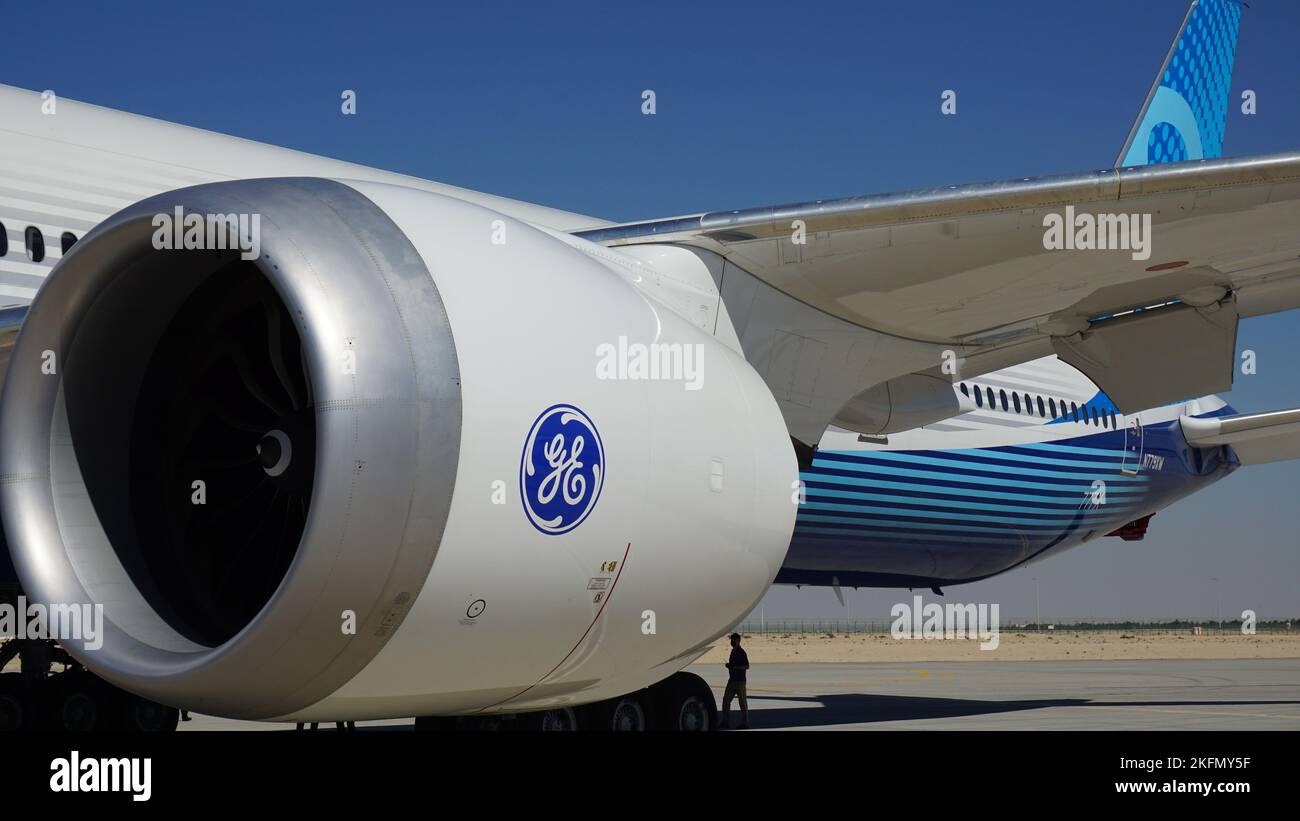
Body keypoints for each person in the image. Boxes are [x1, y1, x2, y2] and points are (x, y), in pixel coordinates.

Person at [720, 633, 749, 729]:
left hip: (740, 681)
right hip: (732, 680)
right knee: (726, 700)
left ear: (738, 641)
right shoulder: (733, 652)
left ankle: (745, 723)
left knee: (742, 702)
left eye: (734, 640)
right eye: (731, 640)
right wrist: (729, 665)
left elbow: (747, 666)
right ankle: (725, 721)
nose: (732, 641)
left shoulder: (741, 652)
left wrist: (736, 667)